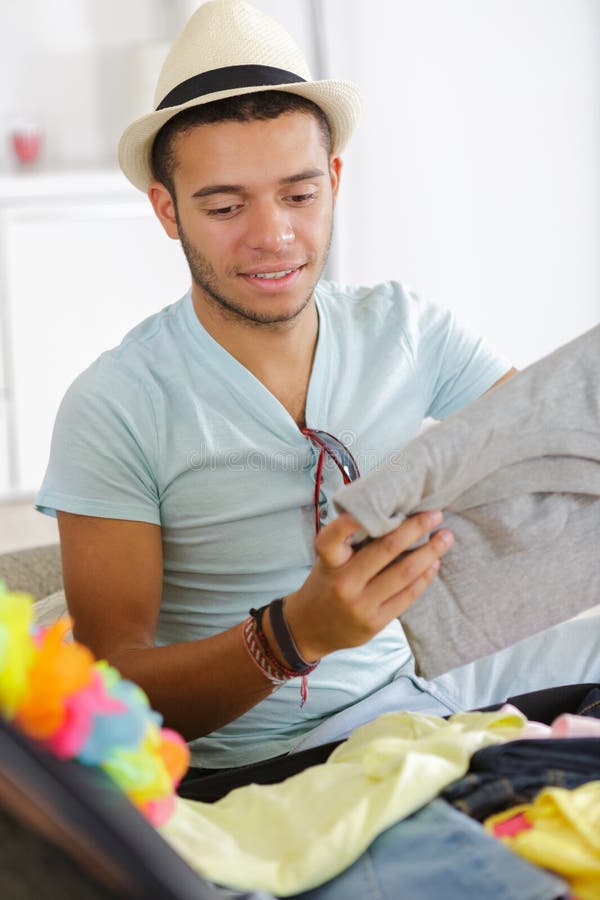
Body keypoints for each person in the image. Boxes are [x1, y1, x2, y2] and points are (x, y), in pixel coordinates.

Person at [36, 0, 596, 775]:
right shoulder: (114, 406)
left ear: (334, 179)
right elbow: (110, 693)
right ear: (167, 211)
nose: (274, 236)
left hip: (424, 686)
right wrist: (294, 635)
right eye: (226, 206)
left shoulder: (407, 327)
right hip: (269, 751)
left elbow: (555, 445)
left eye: (299, 194)